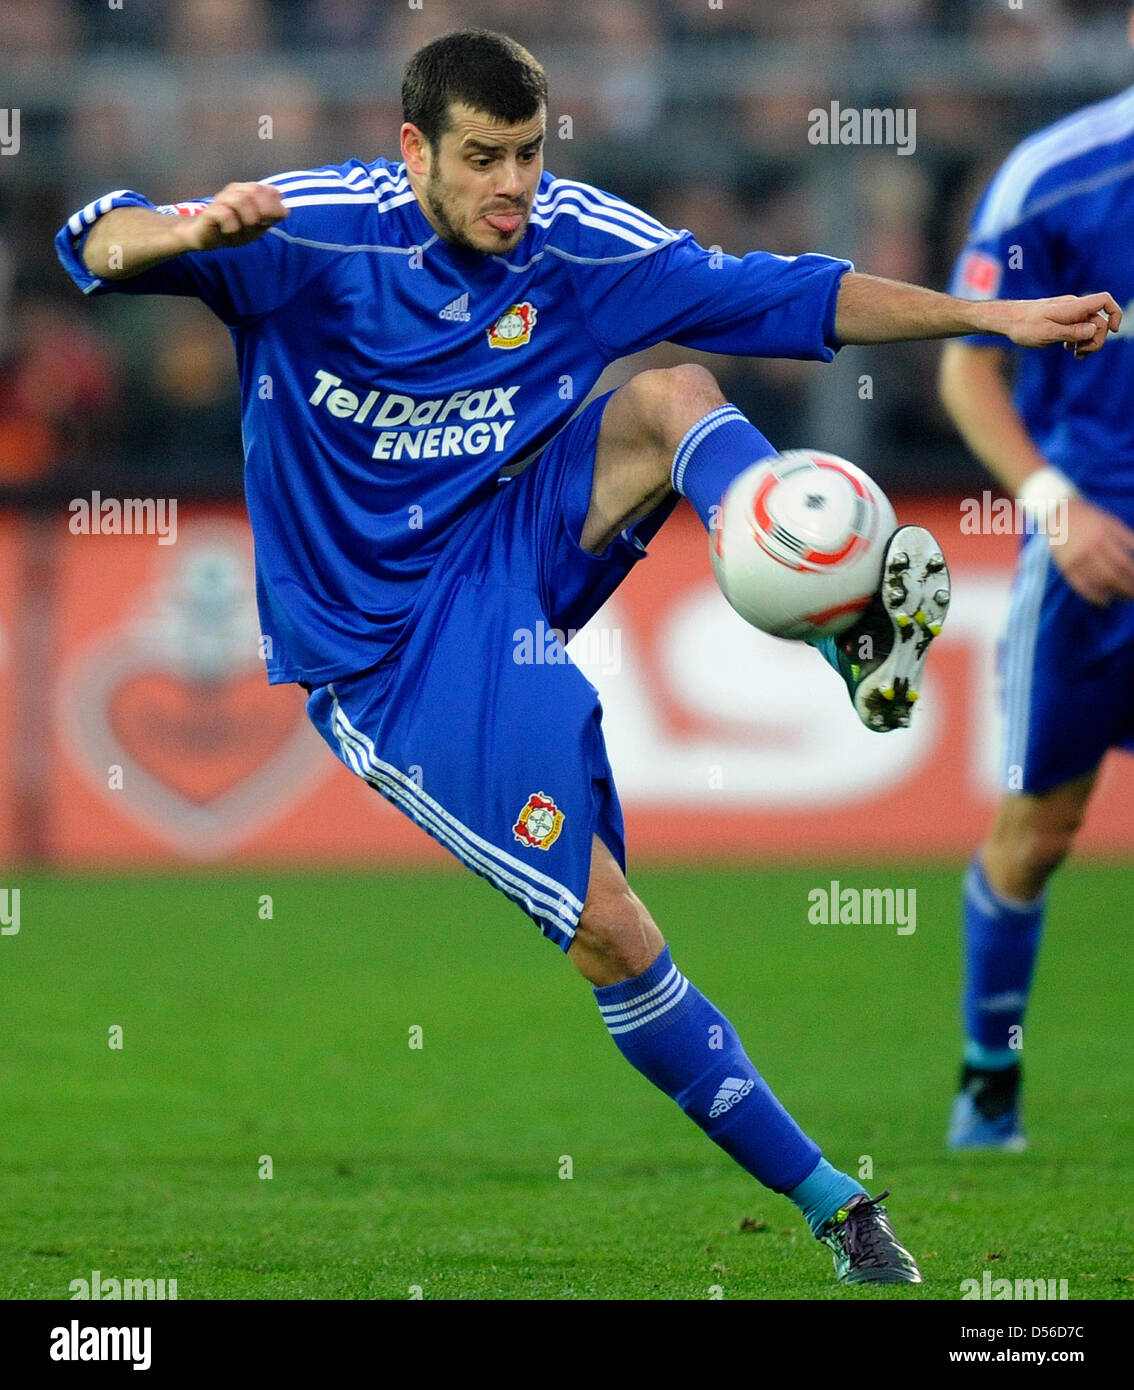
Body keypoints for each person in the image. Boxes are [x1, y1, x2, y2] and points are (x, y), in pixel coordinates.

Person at [57, 29, 1119, 1284]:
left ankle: (830, 601)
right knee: (612, 928)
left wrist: (993, 316)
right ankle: (837, 1204)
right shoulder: (312, 233)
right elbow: (94, 237)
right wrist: (185, 237)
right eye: (482, 158)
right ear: (414, 152)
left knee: (675, 393)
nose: (513, 184)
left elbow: (797, 293)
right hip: (385, 650)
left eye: (528, 152)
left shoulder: (575, 241)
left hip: (512, 540)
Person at [940, 24, 1134, 1151]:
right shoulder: (1056, 177)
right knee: (1040, 829)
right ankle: (988, 1079)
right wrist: (1055, 505)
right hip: (1090, 560)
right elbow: (969, 364)